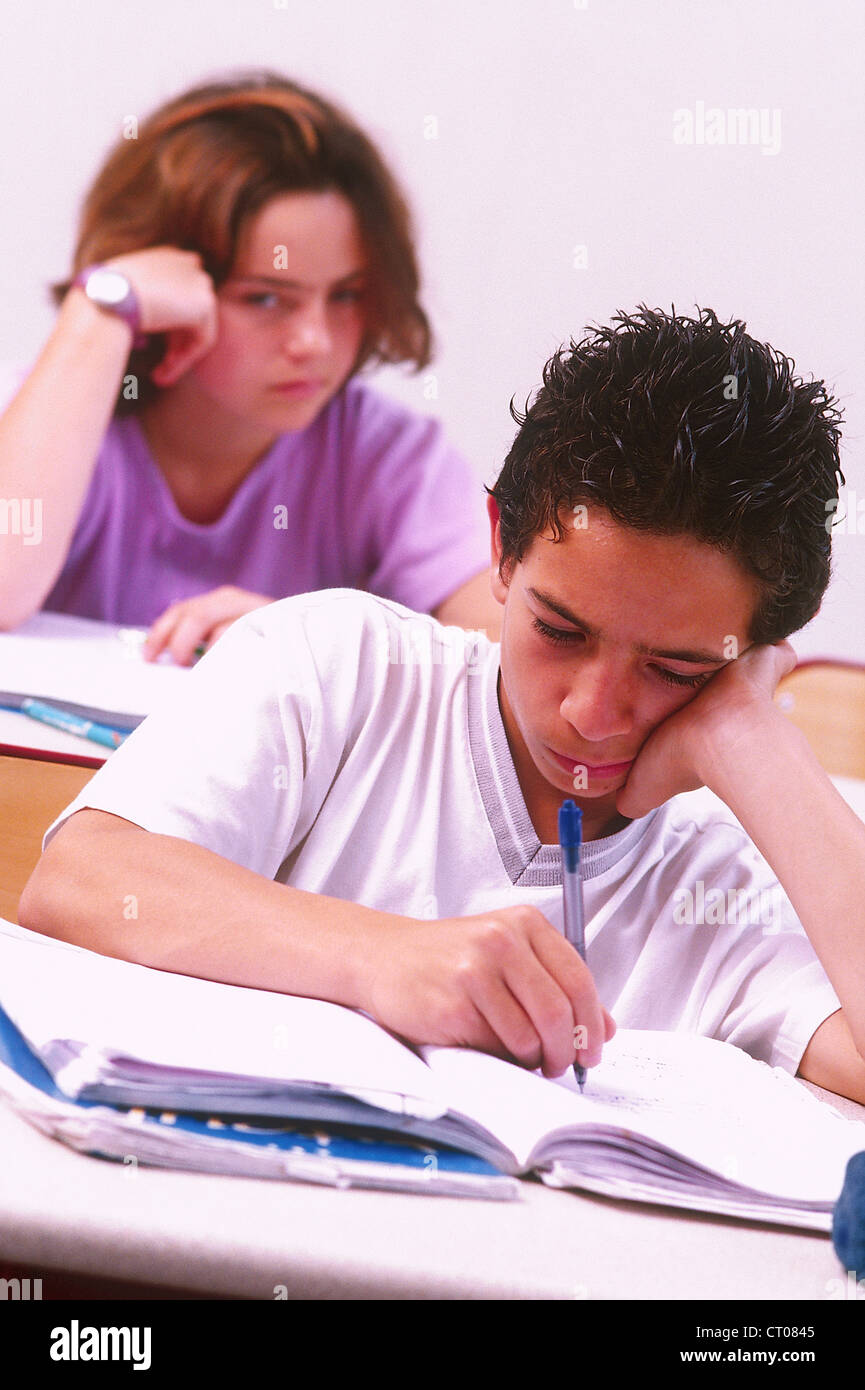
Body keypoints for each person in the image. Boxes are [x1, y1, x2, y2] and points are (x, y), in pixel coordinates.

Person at [20, 306, 865, 1104]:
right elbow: (80, 880)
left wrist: (756, 742)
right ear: (499, 545)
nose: (593, 713)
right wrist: (379, 956)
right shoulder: (343, 666)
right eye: (559, 630)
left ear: (750, 651)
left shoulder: (726, 871)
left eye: (675, 669)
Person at [0, 71, 500, 661]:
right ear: (171, 294)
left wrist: (322, 642)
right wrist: (101, 307)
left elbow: (510, 654)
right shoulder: (56, 416)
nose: (313, 341)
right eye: (265, 298)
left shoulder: (386, 455)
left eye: (345, 295)